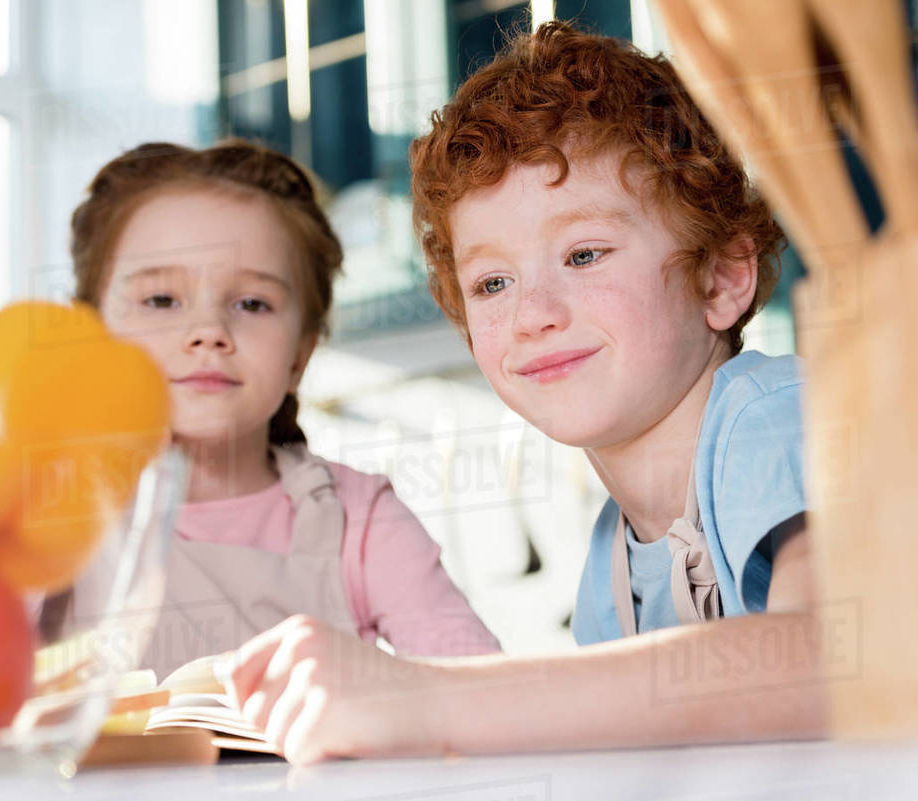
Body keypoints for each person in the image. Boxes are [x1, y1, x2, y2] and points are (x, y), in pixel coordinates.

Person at [220, 22, 824, 763]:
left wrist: (428, 698)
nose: (533, 313)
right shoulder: (613, 555)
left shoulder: (769, 415)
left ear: (723, 278)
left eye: (584, 253)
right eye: (493, 282)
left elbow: (824, 660)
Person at [51, 139, 499, 676]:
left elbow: (478, 691)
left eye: (252, 304)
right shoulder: (36, 506)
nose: (209, 332)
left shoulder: (356, 516)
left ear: (300, 356)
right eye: (161, 300)